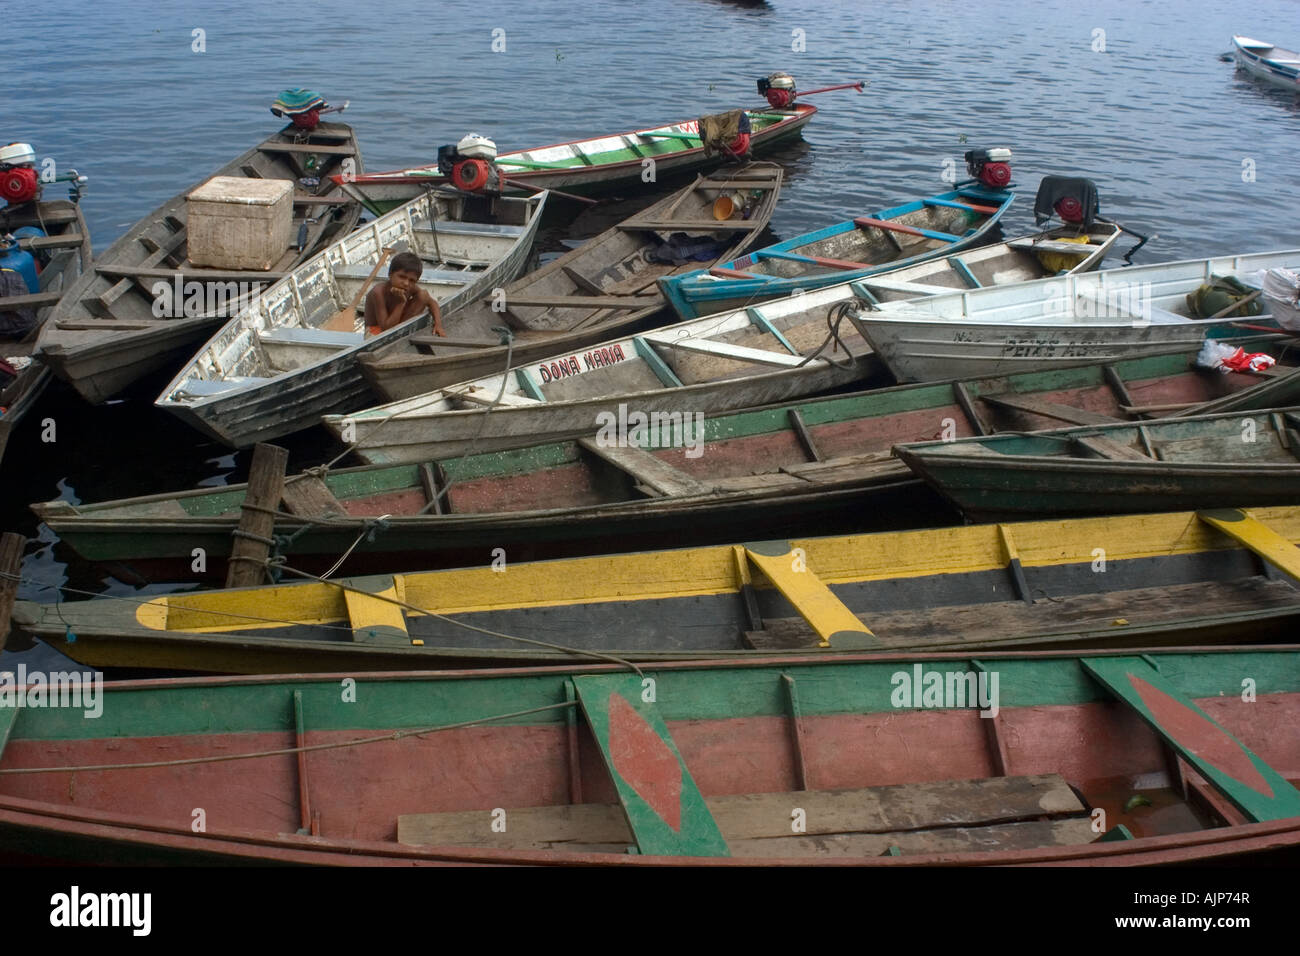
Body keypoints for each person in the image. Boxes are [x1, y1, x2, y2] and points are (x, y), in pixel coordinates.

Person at [364, 251, 444, 336]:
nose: (406, 283)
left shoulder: (409, 287)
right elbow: (385, 329)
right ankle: (403, 334)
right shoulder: (378, 292)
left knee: (423, 295)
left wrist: (438, 324)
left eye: (412, 280)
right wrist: (401, 302)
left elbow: (433, 303)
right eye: (402, 277)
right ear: (390, 275)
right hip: (376, 331)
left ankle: (403, 333)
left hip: (397, 325)